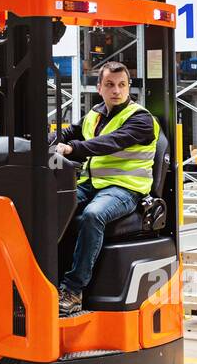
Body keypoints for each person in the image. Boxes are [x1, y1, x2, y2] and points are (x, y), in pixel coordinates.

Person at [50, 61, 158, 316]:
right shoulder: (95, 115)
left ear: (129, 87)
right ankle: (41, 276)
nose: (116, 90)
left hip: (126, 189)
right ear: (99, 88)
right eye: (110, 85)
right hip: (92, 185)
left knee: (92, 215)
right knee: (48, 203)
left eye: (122, 85)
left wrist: (73, 148)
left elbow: (110, 143)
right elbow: (66, 133)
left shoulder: (141, 119)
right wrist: (34, 145)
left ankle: (73, 291)